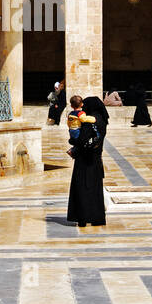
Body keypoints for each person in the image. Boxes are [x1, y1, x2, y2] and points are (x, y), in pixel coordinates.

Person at [67, 96, 109, 227]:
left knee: (82, 188)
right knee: (95, 190)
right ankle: (96, 218)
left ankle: (83, 218)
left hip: (84, 160)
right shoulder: (101, 120)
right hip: (96, 160)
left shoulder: (89, 121)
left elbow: (81, 140)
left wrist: (72, 142)